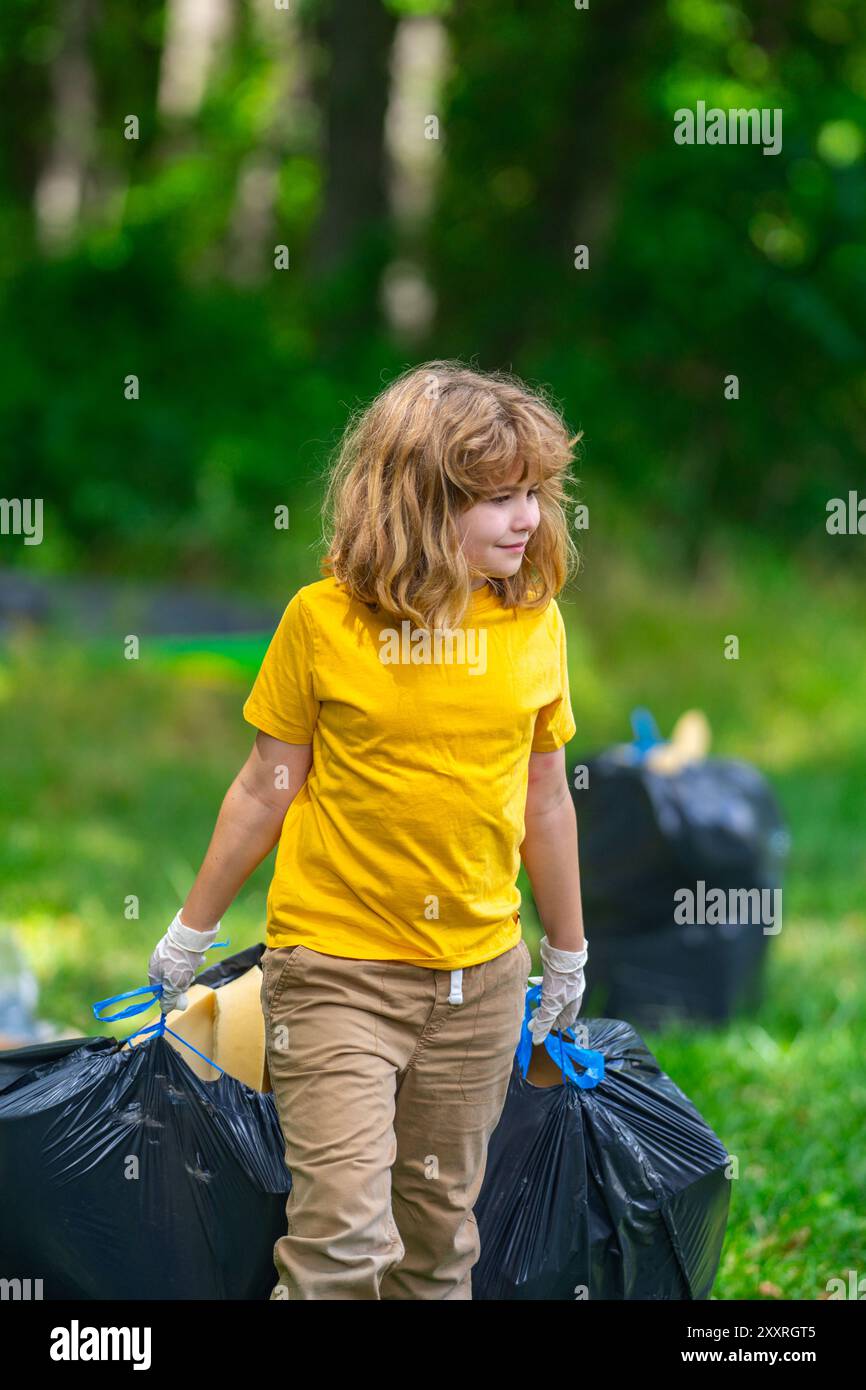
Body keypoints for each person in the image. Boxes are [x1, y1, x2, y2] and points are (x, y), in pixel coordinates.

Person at [148, 360, 590, 1300]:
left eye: (537, 495)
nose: (530, 520)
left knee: (435, 1252)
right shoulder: (324, 622)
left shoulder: (534, 625)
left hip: (478, 978)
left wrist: (569, 955)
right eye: (501, 498)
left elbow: (545, 798)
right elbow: (266, 787)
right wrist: (191, 931)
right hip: (337, 971)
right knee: (343, 1243)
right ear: (423, 502)